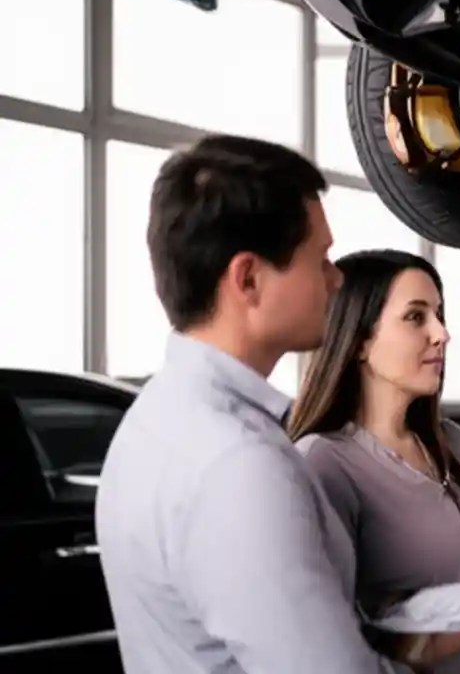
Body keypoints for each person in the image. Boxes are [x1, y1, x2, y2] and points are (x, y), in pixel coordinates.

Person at [95, 135, 392, 672]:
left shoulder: (153, 419)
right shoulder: (236, 463)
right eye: (320, 258)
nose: (337, 278)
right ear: (249, 278)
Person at [288, 248, 460, 674]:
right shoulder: (324, 462)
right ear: (359, 341)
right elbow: (343, 638)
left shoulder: (452, 444)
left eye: (439, 315)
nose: (441, 334)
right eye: (415, 317)